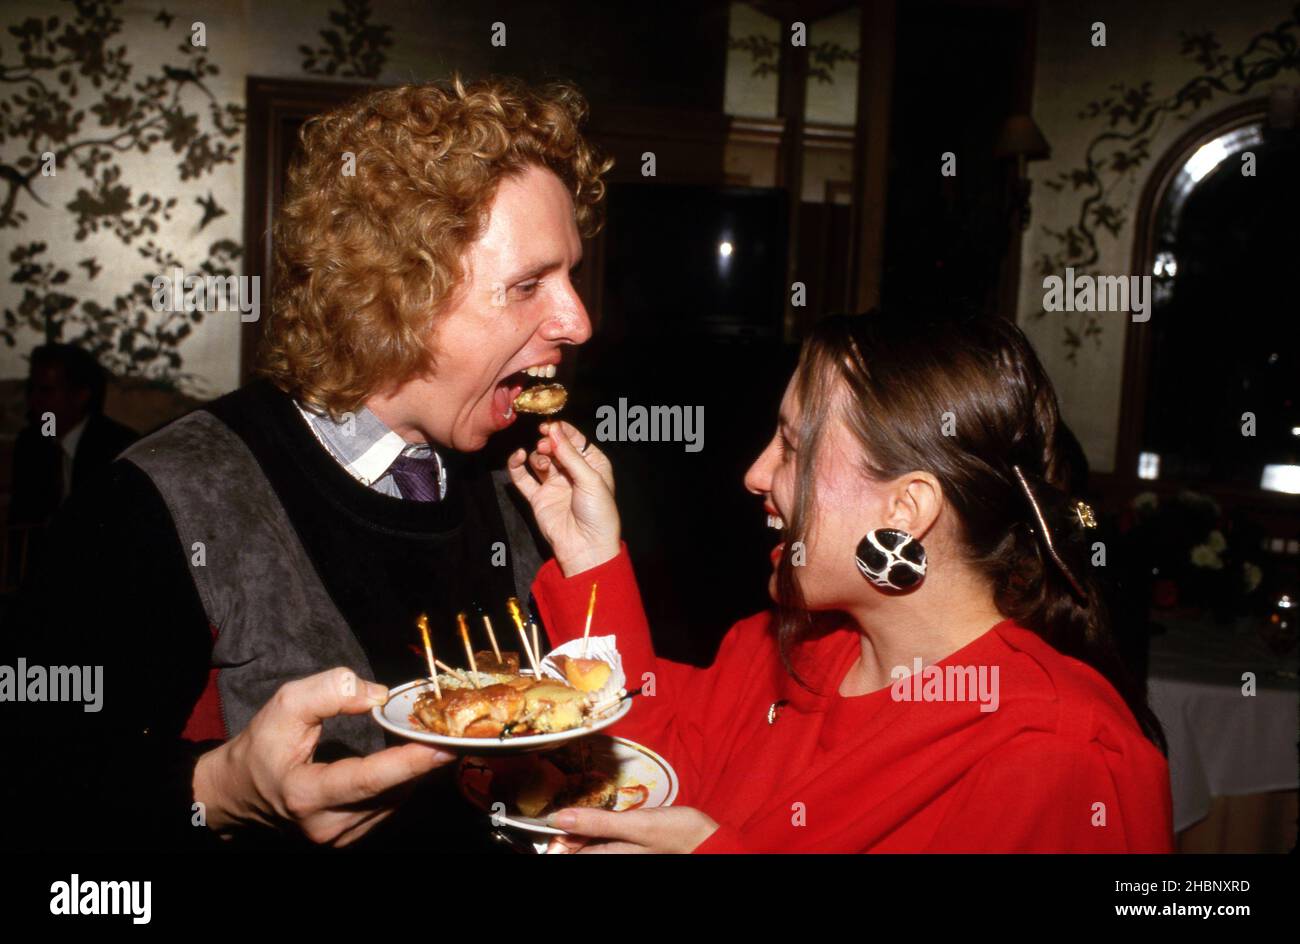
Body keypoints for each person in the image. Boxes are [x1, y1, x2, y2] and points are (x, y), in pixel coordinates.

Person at [6, 75, 610, 850]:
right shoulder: (155, 500)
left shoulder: (524, 474)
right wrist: (220, 793)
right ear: (391, 295)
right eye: (528, 285)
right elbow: (36, 798)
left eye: (570, 274)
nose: (579, 321)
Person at [507, 310, 1175, 853]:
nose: (757, 475)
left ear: (904, 511)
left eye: (793, 449)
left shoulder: (1056, 754)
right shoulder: (779, 652)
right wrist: (590, 556)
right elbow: (646, 762)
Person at [5, 344, 138, 584]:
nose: (34, 400)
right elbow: (22, 522)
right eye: (31, 389)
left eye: (45, 391)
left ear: (80, 395)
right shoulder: (32, 443)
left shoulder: (117, 447)